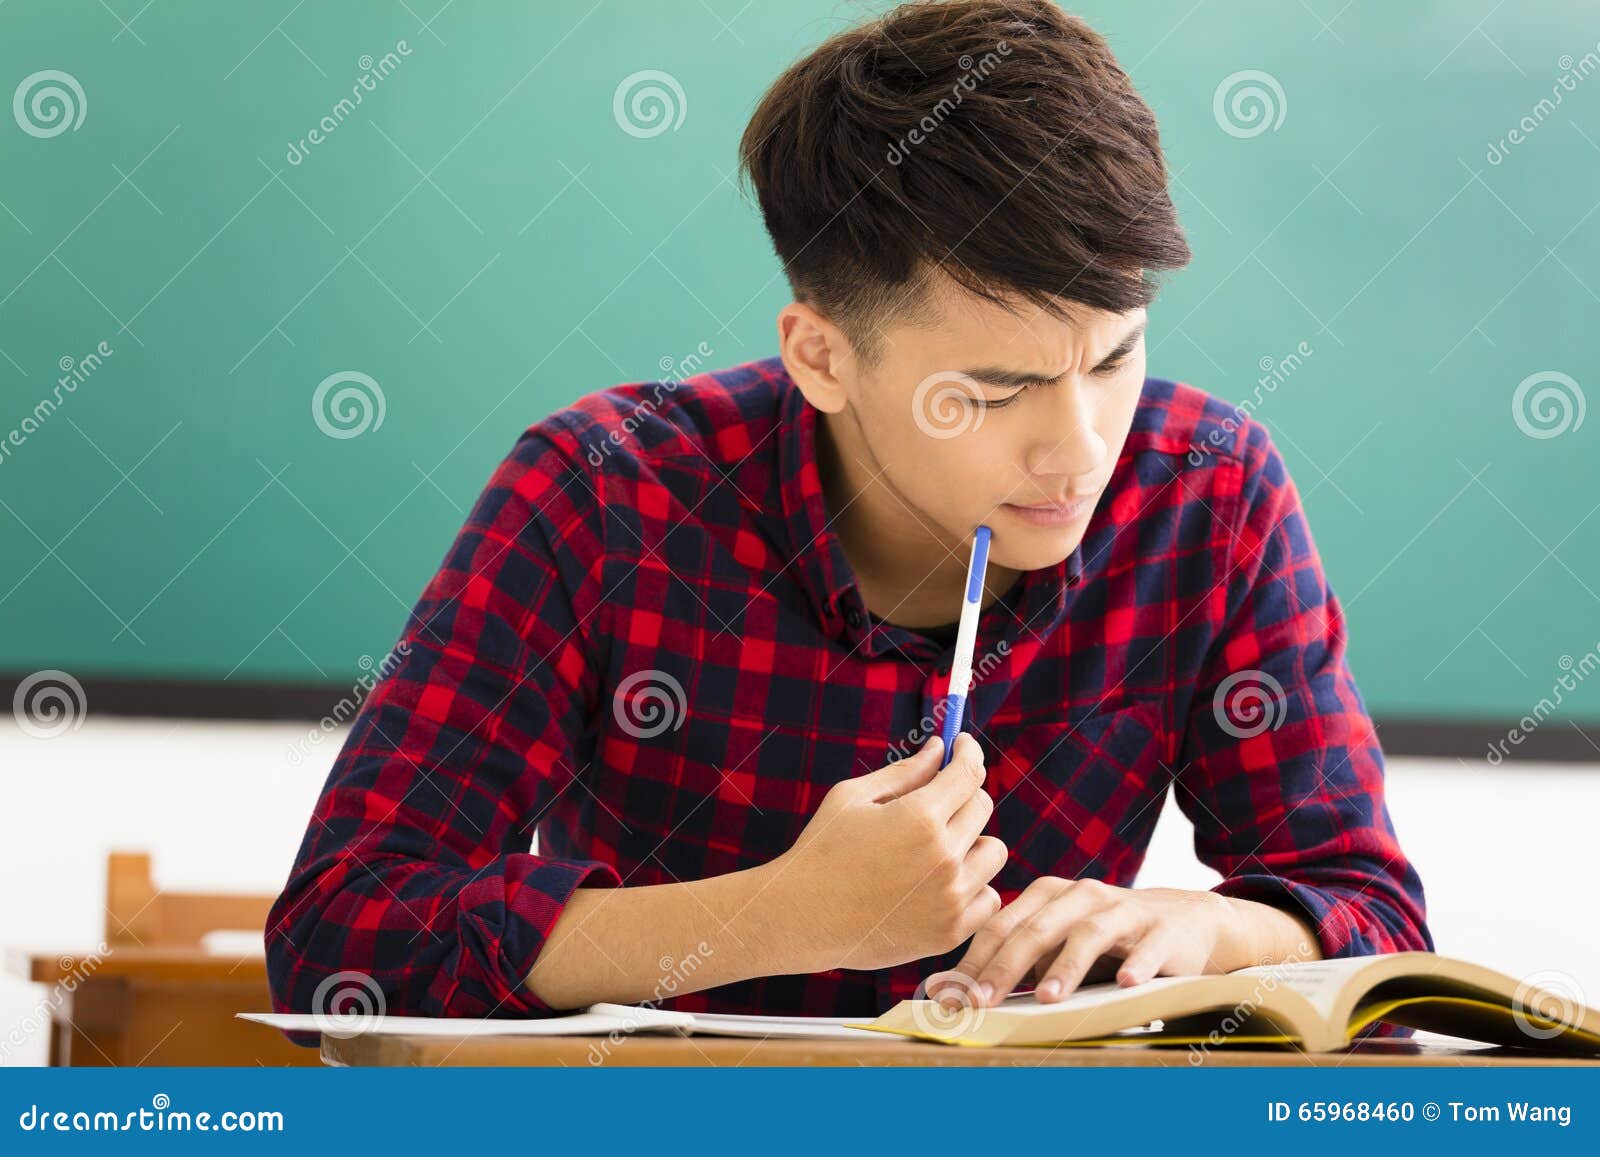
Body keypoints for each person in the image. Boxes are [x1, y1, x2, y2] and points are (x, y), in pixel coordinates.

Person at [266, 0, 1430, 1035]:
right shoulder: (605, 494)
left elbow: (1372, 913)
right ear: (820, 355)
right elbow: (340, 939)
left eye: (1114, 356)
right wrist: (778, 915)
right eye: (991, 389)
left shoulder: (1209, 490)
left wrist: (1209, 931)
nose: (1077, 447)